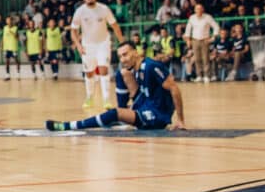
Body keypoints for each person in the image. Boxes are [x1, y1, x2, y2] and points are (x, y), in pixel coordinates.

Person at [46, 42, 186, 132]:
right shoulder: (137, 68)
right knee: (122, 73)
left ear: (135, 52)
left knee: (114, 113)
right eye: (120, 56)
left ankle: (68, 125)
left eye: (125, 54)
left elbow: (174, 89)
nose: (123, 59)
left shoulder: (151, 66)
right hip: (147, 103)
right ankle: (123, 115)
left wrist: (180, 120)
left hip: (157, 115)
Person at [68, 0, 122, 104]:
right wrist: (78, 45)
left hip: (103, 43)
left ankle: (106, 99)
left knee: (103, 70)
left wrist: (122, 42)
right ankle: (90, 97)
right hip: (87, 46)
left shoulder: (104, 9)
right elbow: (73, 30)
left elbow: (115, 25)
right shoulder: (80, 11)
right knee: (89, 73)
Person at [183, 2, 219, 83]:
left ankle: (206, 76)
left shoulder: (208, 17)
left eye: (200, 8)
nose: (198, 10)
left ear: (203, 9)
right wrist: (188, 40)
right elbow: (188, 29)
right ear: (195, 10)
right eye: (197, 9)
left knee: (205, 58)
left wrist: (213, 37)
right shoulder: (192, 18)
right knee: (197, 59)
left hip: (205, 40)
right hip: (195, 40)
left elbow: (216, 26)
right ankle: (199, 75)